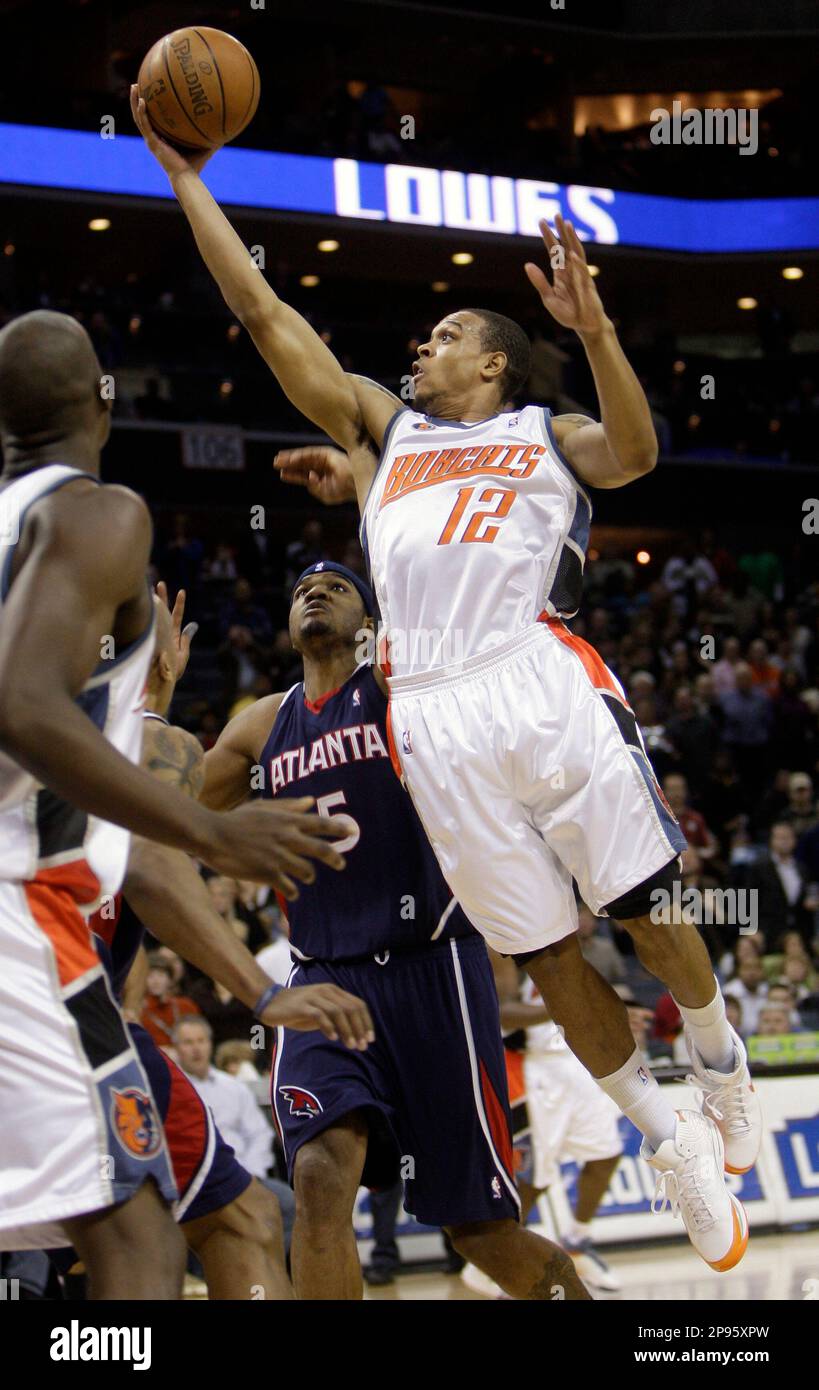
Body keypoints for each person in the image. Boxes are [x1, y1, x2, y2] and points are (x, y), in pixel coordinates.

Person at [133, 97, 757, 1272]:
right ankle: (668, 1139)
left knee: (644, 908)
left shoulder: (545, 428)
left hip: (534, 674)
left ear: (497, 361)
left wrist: (602, 332)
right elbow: (267, 314)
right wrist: (187, 182)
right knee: (549, 950)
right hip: (430, 713)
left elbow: (635, 457)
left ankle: (718, 1059)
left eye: (446, 331)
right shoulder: (390, 434)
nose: (422, 346)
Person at [0, 311, 347, 1297]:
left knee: (137, 1232)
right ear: (106, 400)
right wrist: (213, 826)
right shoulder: (101, 512)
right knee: (138, 1245)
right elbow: (21, 703)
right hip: (21, 911)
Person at [199, 560, 588, 1300]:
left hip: (433, 969)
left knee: (478, 1230)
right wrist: (151, 699)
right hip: (324, 980)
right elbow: (183, 817)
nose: (314, 591)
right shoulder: (260, 725)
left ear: (371, 620)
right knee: (316, 1182)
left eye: (337, 586)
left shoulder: (400, 687)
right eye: (301, 588)